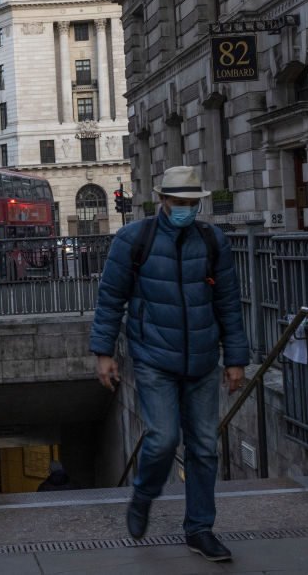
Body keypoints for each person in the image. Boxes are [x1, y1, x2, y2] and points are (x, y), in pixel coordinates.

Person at [88, 165, 249, 563]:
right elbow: (111, 299)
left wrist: (236, 359)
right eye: (180, 203)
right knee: (162, 439)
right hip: (153, 358)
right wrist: (104, 353)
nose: (188, 210)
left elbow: (229, 302)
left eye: (193, 204)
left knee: (205, 448)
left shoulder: (213, 240)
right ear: (162, 201)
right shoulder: (134, 239)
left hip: (202, 360)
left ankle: (199, 529)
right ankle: (143, 496)